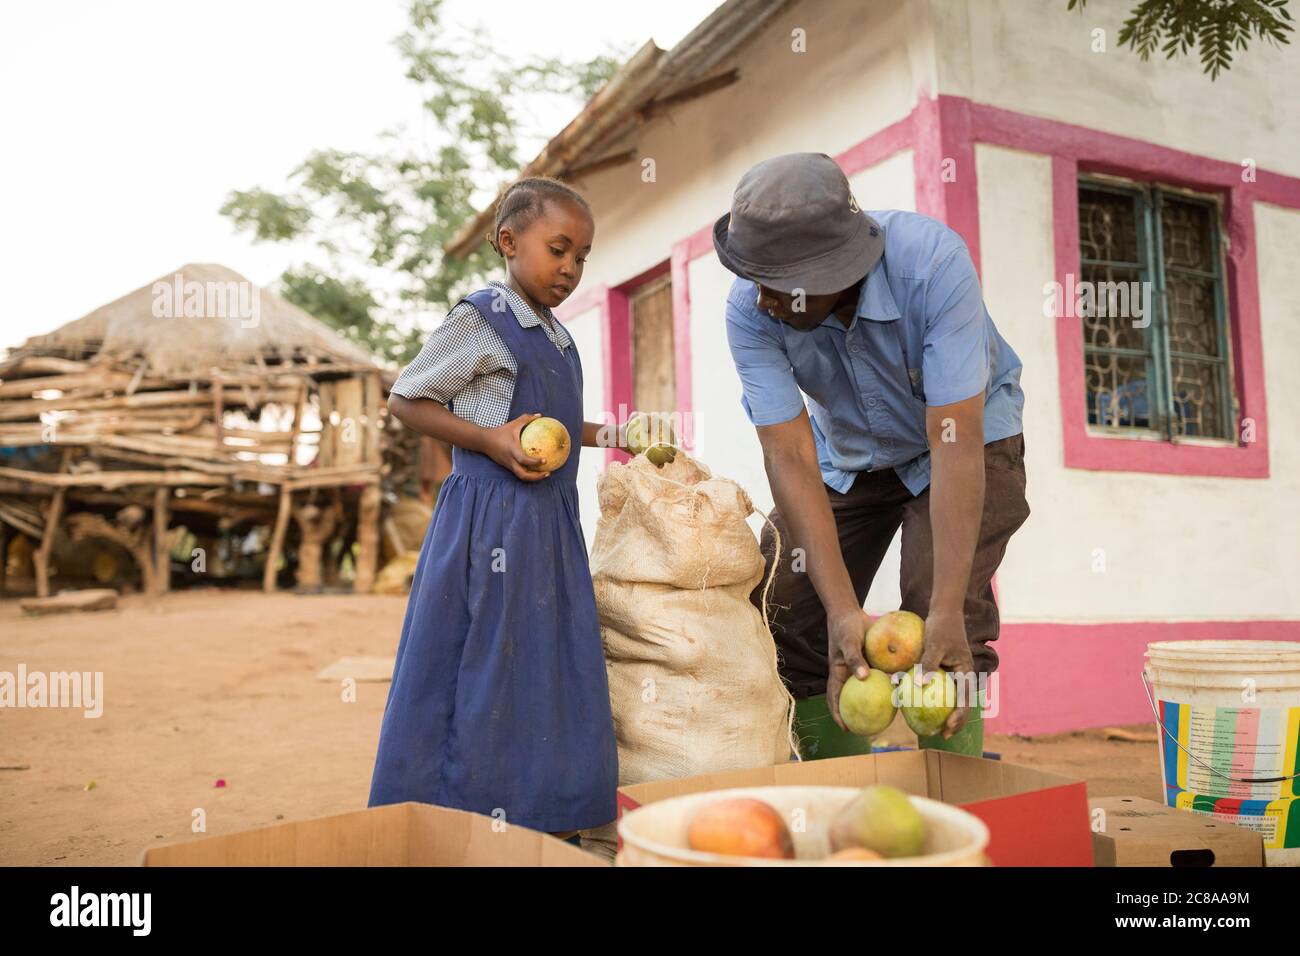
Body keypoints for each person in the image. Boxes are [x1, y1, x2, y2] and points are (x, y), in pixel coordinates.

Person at [713, 152, 1030, 758]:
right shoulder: (750, 311)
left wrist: (943, 612)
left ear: (830, 273)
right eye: (753, 278)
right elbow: (791, 457)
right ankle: (841, 800)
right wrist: (840, 611)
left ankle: (955, 817)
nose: (760, 300)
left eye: (775, 284)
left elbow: (953, 440)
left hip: (968, 440)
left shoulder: (933, 265)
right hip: (849, 457)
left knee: (943, 608)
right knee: (787, 606)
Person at [368, 176, 619, 838]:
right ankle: (451, 816)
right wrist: (488, 440)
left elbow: (557, 424)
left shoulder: (557, 335)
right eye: (558, 249)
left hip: (549, 525)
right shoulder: (482, 319)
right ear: (509, 242)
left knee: (544, 663)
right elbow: (406, 398)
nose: (570, 267)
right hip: (489, 522)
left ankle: (543, 816)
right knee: (481, 665)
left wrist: (614, 434)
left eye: (582, 256)